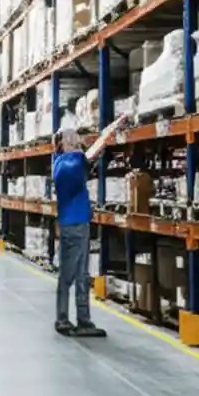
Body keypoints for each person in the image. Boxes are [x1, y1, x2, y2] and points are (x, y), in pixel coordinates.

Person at [51, 113, 129, 336]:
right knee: (76, 275)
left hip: (72, 224)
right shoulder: (69, 163)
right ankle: (76, 320)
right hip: (76, 226)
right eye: (73, 138)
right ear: (65, 143)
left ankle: (68, 319)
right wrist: (111, 129)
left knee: (71, 275)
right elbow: (92, 153)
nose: (77, 139)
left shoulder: (60, 162)